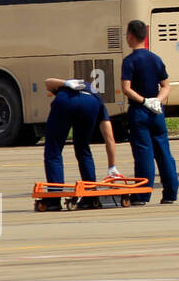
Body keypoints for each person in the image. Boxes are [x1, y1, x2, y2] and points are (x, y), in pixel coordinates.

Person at [41, 78, 123, 210]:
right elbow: (109, 138)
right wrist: (112, 166)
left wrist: (65, 83)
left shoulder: (67, 87)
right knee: (83, 148)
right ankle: (90, 195)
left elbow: (47, 82)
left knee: (54, 150)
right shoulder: (98, 99)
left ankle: (54, 198)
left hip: (65, 101)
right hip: (90, 104)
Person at [120, 20, 179, 204]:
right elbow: (166, 85)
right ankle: (170, 194)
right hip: (157, 111)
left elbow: (126, 88)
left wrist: (144, 101)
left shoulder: (129, 61)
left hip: (139, 110)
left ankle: (142, 195)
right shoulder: (155, 58)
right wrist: (157, 101)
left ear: (130, 36)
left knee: (143, 154)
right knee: (164, 153)